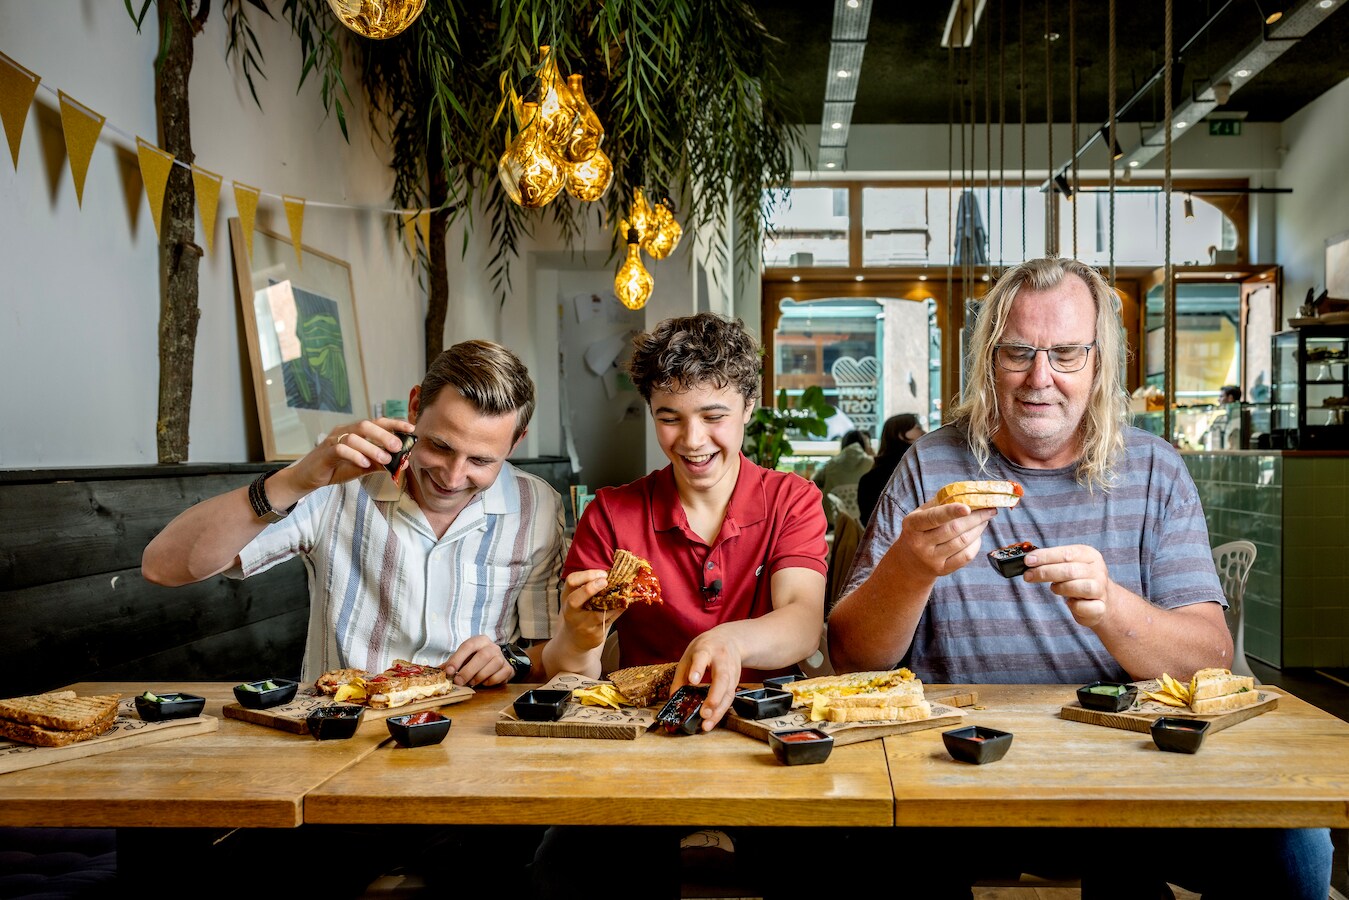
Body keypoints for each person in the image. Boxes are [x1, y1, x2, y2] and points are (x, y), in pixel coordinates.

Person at [827, 257, 1332, 899]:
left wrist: (1110, 609)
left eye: (1066, 353)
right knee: (843, 843)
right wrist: (907, 569)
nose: (1042, 378)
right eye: (1019, 353)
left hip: (1130, 770)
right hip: (953, 769)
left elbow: (1212, 655)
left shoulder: (1154, 470)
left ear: (1099, 363)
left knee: (1293, 847)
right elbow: (848, 657)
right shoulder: (930, 466)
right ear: (989, 359)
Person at [532, 312, 829, 899]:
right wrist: (581, 634)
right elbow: (575, 673)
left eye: (714, 417)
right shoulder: (612, 513)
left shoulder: (792, 499)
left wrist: (729, 641)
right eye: (670, 419)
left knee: (829, 869)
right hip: (645, 738)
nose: (692, 441)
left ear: (748, 406)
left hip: (768, 732)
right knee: (561, 873)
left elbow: (801, 622)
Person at [143, 338, 583, 688]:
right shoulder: (334, 482)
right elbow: (164, 567)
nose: (452, 477)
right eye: (439, 446)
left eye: (481, 461)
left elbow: (542, 650)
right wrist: (296, 481)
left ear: (516, 443)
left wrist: (511, 659)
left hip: (474, 740)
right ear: (414, 408)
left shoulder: (537, 506)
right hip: (343, 732)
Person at [855, 412, 924, 526]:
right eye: (918, 428)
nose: (923, 432)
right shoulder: (912, 467)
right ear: (901, 434)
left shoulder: (869, 478)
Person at [813, 428, 873, 528]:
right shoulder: (871, 463)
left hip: (836, 521)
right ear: (864, 445)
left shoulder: (831, 464)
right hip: (866, 520)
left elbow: (813, 482)